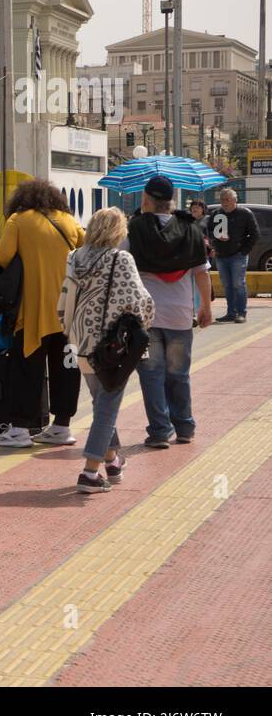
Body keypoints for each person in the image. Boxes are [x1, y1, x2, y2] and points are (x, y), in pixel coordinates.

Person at [59, 208, 156, 494]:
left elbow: (63, 299)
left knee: (102, 401)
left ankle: (113, 462)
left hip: (80, 342)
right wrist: (145, 326)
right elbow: (138, 300)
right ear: (117, 231)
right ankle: (90, 472)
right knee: (107, 406)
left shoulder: (74, 257)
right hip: (111, 348)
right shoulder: (120, 258)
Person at [0, 179, 85, 448]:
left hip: (32, 311)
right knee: (66, 369)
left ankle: (20, 429)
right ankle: (61, 427)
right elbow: (86, 245)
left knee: (26, 370)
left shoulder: (18, 220)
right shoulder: (68, 219)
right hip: (68, 311)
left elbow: (3, 256)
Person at [128, 175, 213, 448]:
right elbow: (202, 275)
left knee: (152, 375)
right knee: (178, 374)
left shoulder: (135, 229)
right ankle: (185, 427)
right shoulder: (191, 229)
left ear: (147, 200)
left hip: (146, 317)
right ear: (171, 202)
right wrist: (206, 308)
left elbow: (119, 265)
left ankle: (159, 432)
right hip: (180, 315)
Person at [207, 187, 257, 323]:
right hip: (221, 255)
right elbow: (209, 230)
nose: (225, 202)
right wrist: (215, 241)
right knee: (227, 286)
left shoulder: (245, 213)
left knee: (238, 284)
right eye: (222, 199)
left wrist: (243, 251)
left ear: (235, 200)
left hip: (238, 255)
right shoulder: (216, 213)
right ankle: (231, 313)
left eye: (228, 199)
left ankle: (241, 313)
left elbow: (254, 234)